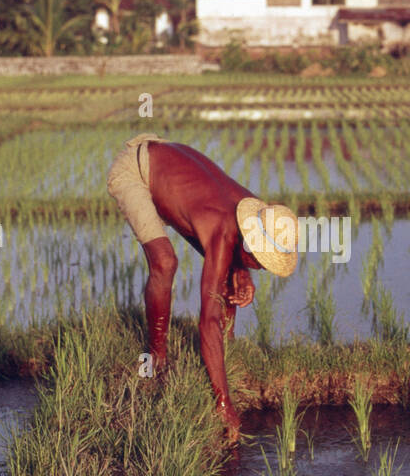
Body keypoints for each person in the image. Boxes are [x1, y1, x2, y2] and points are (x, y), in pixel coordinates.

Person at [106, 133, 297, 440]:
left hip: (169, 170)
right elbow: (207, 320)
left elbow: (236, 257)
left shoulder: (255, 212)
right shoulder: (222, 231)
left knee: (227, 272)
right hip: (137, 172)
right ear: (250, 246)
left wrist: (243, 274)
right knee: (165, 262)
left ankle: (228, 353)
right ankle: (157, 361)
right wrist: (224, 403)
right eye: (261, 261)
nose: (261, 267)